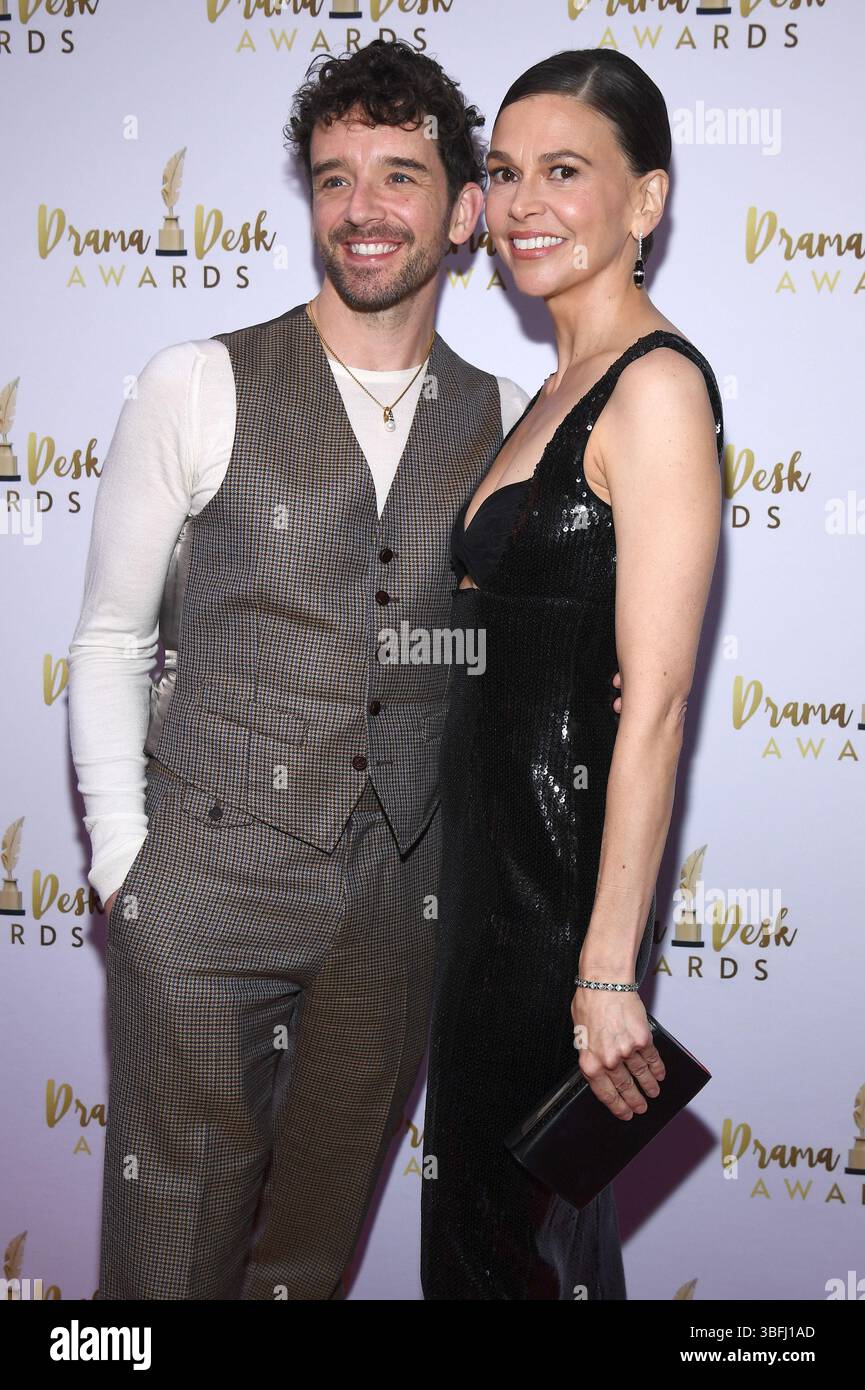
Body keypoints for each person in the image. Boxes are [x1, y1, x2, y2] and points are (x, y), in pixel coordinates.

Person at [68, 38, 622, 1301]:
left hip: (401, 900)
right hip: (205, 881)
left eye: (398, 175)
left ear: (465, 208)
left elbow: (502, 650)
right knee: (166, 1261)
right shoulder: (196, 382)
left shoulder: (508, 419)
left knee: (307, 1258)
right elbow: (109, 635)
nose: (362, 210)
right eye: (333, 179)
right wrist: (122, 863)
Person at [420, 48, 725, 1300]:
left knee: (500, 1249)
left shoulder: (653, 389)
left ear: (643, 201)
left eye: (563, 171)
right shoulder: (554, 388)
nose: (520, 203)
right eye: (502, 173)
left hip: (557, 913)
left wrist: (605, 972)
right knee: (525, 1248)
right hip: (490, 893)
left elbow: (652, 708)